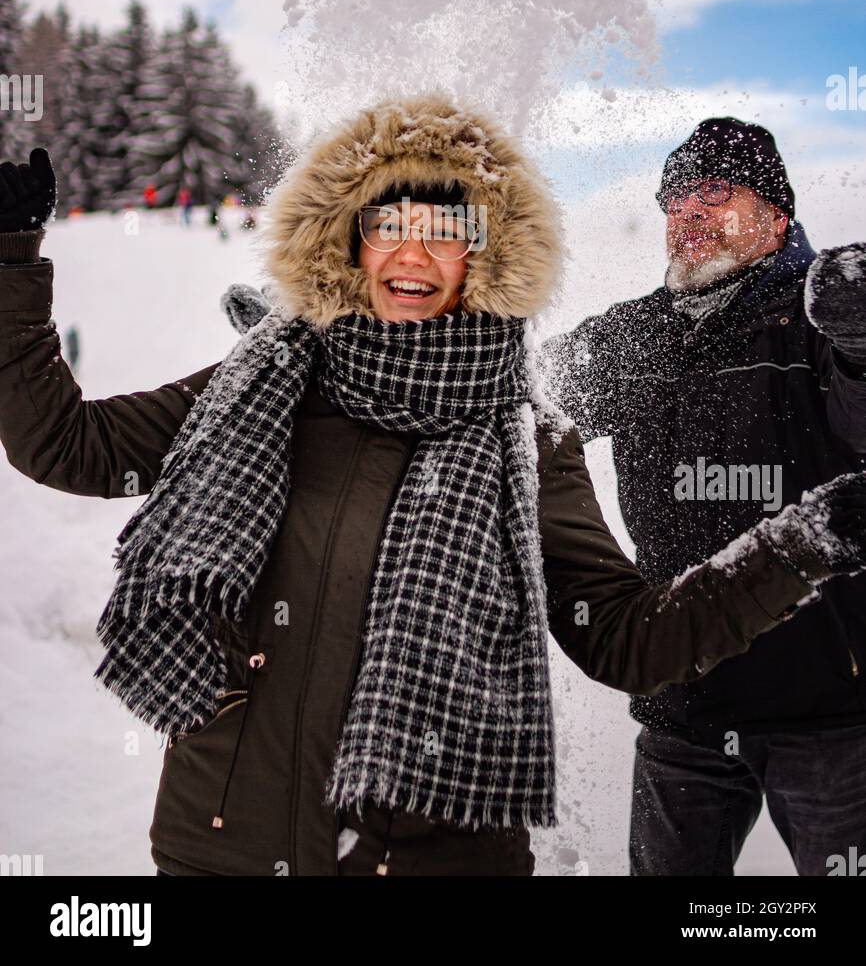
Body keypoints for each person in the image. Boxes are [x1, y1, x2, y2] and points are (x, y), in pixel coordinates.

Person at [0, 105, 864, 879]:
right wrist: (10, 266)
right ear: (349, 241)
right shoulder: (265, 385)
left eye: (445, 227)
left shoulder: (531, 430)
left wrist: (800, 541)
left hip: (452, 852)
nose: (412, 250)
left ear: (482, 255)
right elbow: (67, 444)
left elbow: (629, 636)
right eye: (387, 224)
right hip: (219, 847)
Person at [540, 116, 866, 877]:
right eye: (674, 204)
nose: (687, 219)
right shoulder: (632, 338)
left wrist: (860, 346)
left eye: (713, 197)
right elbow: (509, 404)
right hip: (684, 700)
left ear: (776, 215)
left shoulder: (817, 321)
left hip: (830, 711)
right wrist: (343, 356)